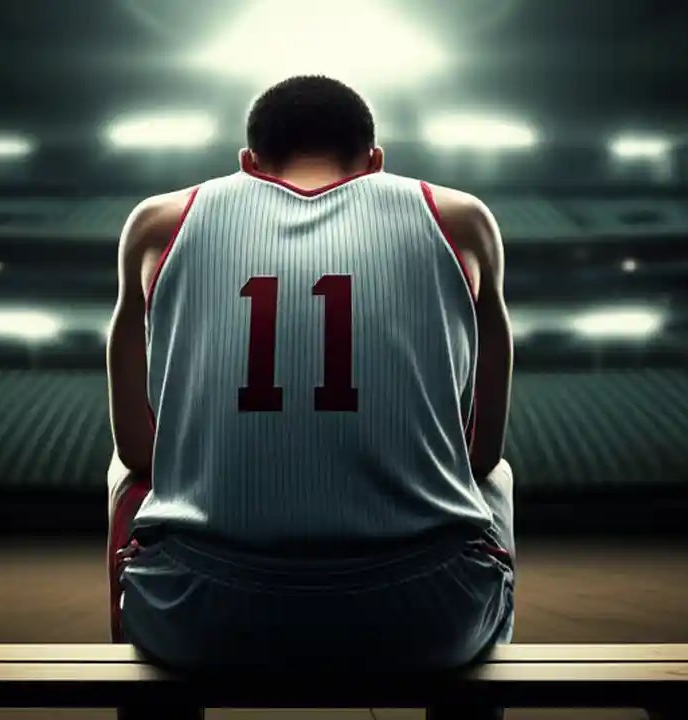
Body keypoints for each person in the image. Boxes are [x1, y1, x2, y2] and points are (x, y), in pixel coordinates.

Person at [105, 75, 516, 719]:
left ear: (247, 162)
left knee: (127, 476)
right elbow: (483, 451)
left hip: (199, 613)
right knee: (496, 480)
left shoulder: (158, 223)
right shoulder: (461, 219)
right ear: (376, 160)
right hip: (427, 615)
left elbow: (137, 448)